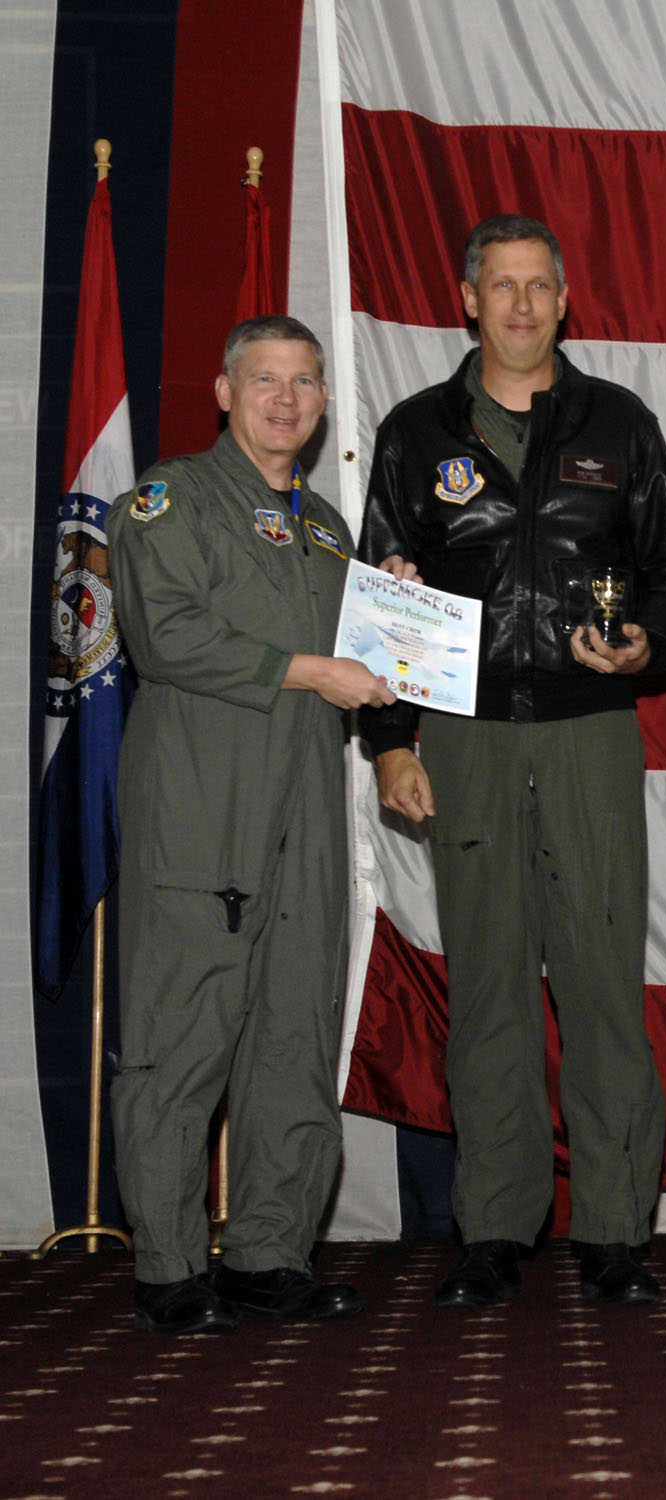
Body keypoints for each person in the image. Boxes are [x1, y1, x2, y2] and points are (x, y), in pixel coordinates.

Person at [358, 214, 666, 1310]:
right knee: (492, 993)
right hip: (461, 740)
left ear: (566, 302)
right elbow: (381, 592)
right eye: (500, 286)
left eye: (538, 287)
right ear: (468, 301)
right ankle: (495, 1227)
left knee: (605, 985)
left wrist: (649, 639)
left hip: (587, 736)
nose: (519, 305)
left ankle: (614, 1228)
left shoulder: (620, 422)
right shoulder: (419, 432)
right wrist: (387, 747)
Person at [109, 315, 392, 1334]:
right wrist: (310, 668)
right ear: (225, 391)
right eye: (265, 379)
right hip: (201, 807)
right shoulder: (166, 502)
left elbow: (365, 663)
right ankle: (173, 1267)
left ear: (322, 403)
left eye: (305, 382)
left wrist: (389, 617)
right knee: (182, 1036)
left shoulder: (326, 528)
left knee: (293, 1035)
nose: (286, 398)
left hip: (308, 807)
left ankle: (269, 1255)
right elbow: (165, 632)